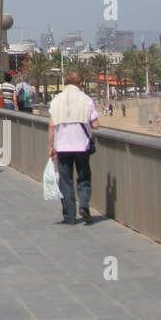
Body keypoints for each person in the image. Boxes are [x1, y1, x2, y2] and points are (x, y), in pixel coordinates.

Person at [48, 72, 99, 225]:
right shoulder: (86, 100)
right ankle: (84, 205)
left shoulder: (56, 100)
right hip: (81, 144)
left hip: (62, 145)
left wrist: (51, 147)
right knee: (83, 177)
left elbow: (51, 125)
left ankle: (70, 216)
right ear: (80, 83)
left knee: (66, 180)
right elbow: (95, 124)